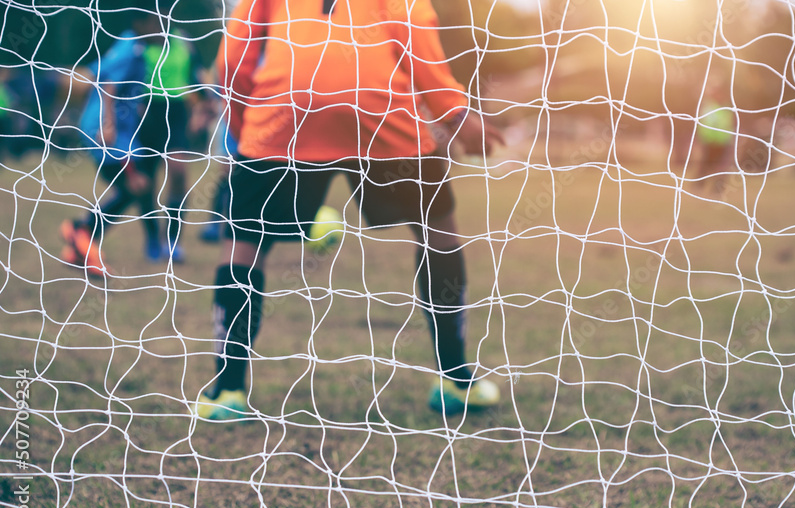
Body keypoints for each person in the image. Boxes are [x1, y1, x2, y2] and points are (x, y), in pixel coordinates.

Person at [194, 0, 505, 420]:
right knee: (438, 231)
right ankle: (456, 380)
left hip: (285, 107)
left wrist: (246, 124)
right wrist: (455, 114)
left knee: (243, 244)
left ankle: (227, 392)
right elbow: (415, 35)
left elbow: (233, 56)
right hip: (376, 104)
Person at [61, 0, 200, 277]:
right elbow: (107, 82)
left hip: (122, 131)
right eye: (156, 22)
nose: (163, 27)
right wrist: (109, 123)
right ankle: (81, 232)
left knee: (137, 185)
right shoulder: (132, 47)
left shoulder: (142, 46)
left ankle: (81, 241)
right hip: (107, 132)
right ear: (140, 24)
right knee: (135, 185)